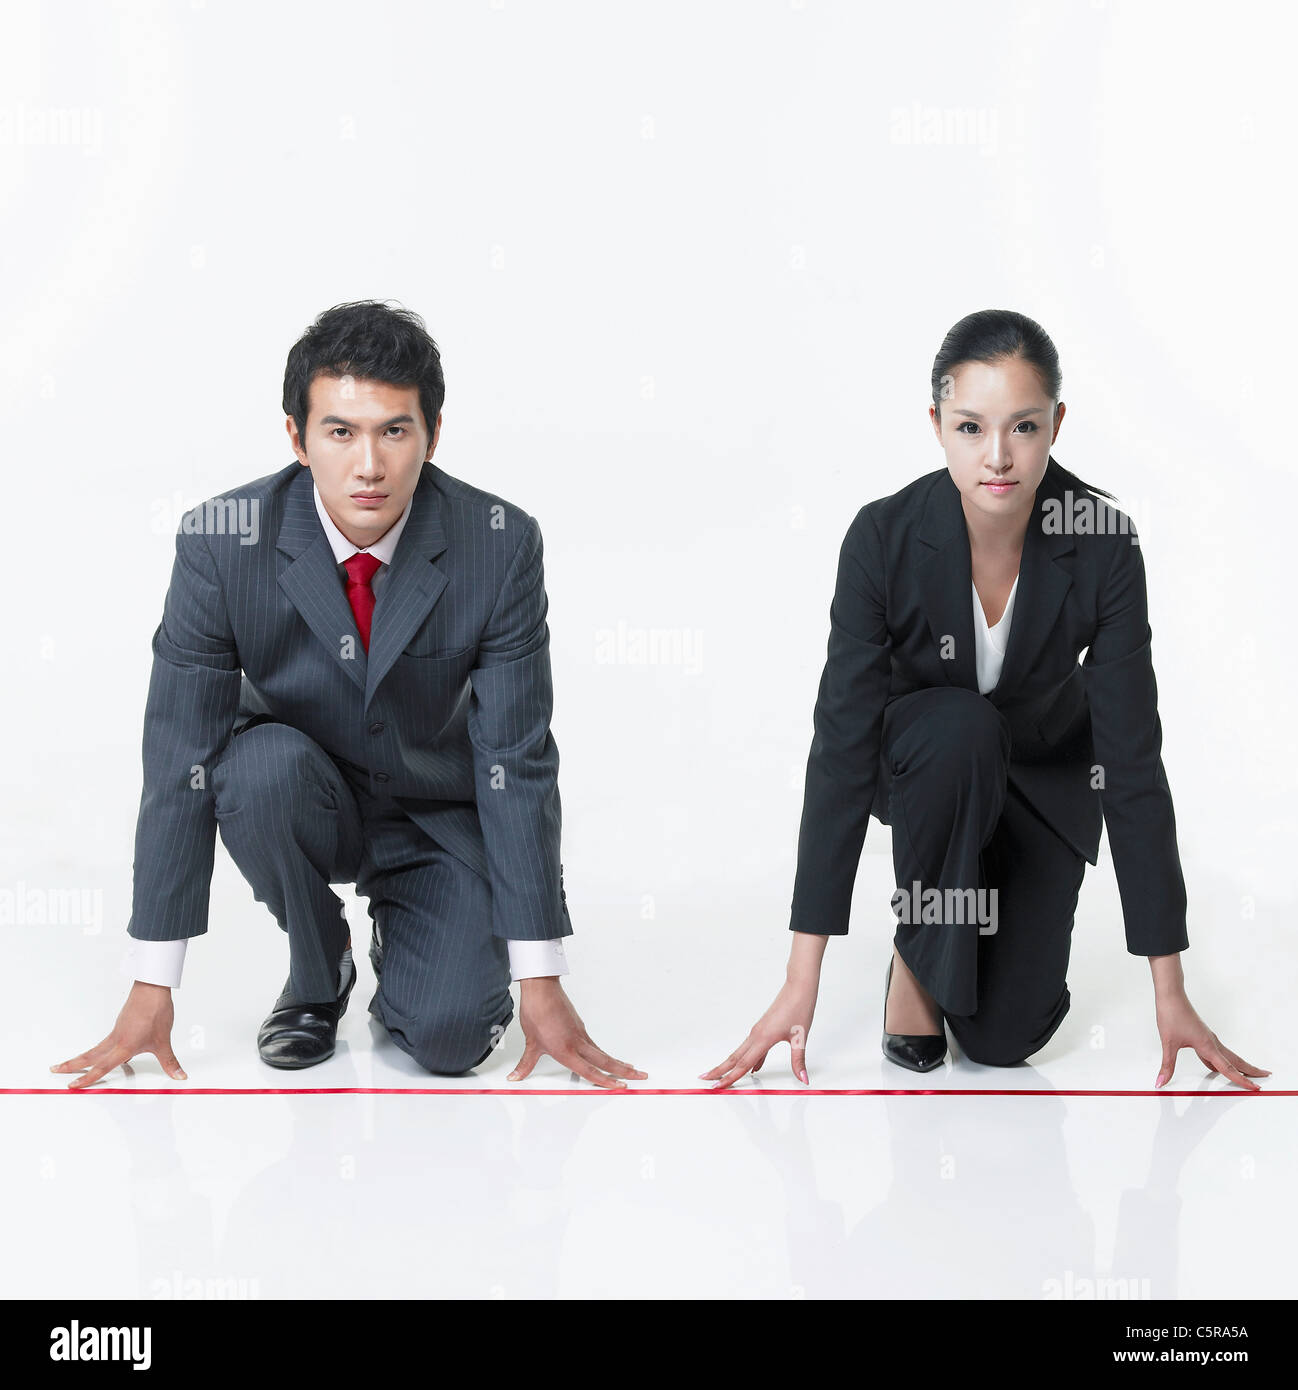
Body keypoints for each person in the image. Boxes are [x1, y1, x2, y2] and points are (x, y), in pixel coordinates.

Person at [53, 300, 644, 1090]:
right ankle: (318, 966)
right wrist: (151, 985)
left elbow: (516, 757)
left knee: (448, 1040)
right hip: (300, 791)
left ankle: (414, 961)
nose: (368, 465)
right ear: (297, 438)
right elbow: (178, 760)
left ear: (432, 434)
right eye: (340, 431)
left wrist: (540, 976)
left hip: (434, 810)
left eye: (394, 431)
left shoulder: (499, 544)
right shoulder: (219, 543)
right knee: (249, 769)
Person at [703, 308, 1268, 1092]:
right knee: (960, 725)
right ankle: (920, 960)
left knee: (1005, 1042)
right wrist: (803, 980)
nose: (997, 457)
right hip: (932, 770)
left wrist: (1169, 992)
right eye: (970, 427)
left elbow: (1133, 762)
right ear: (936, 424)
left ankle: (960, 935)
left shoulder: (1103, 542)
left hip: (1040, 783)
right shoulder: (882, 537)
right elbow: (839, 749)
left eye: (1024, 428)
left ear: (1057, 425)